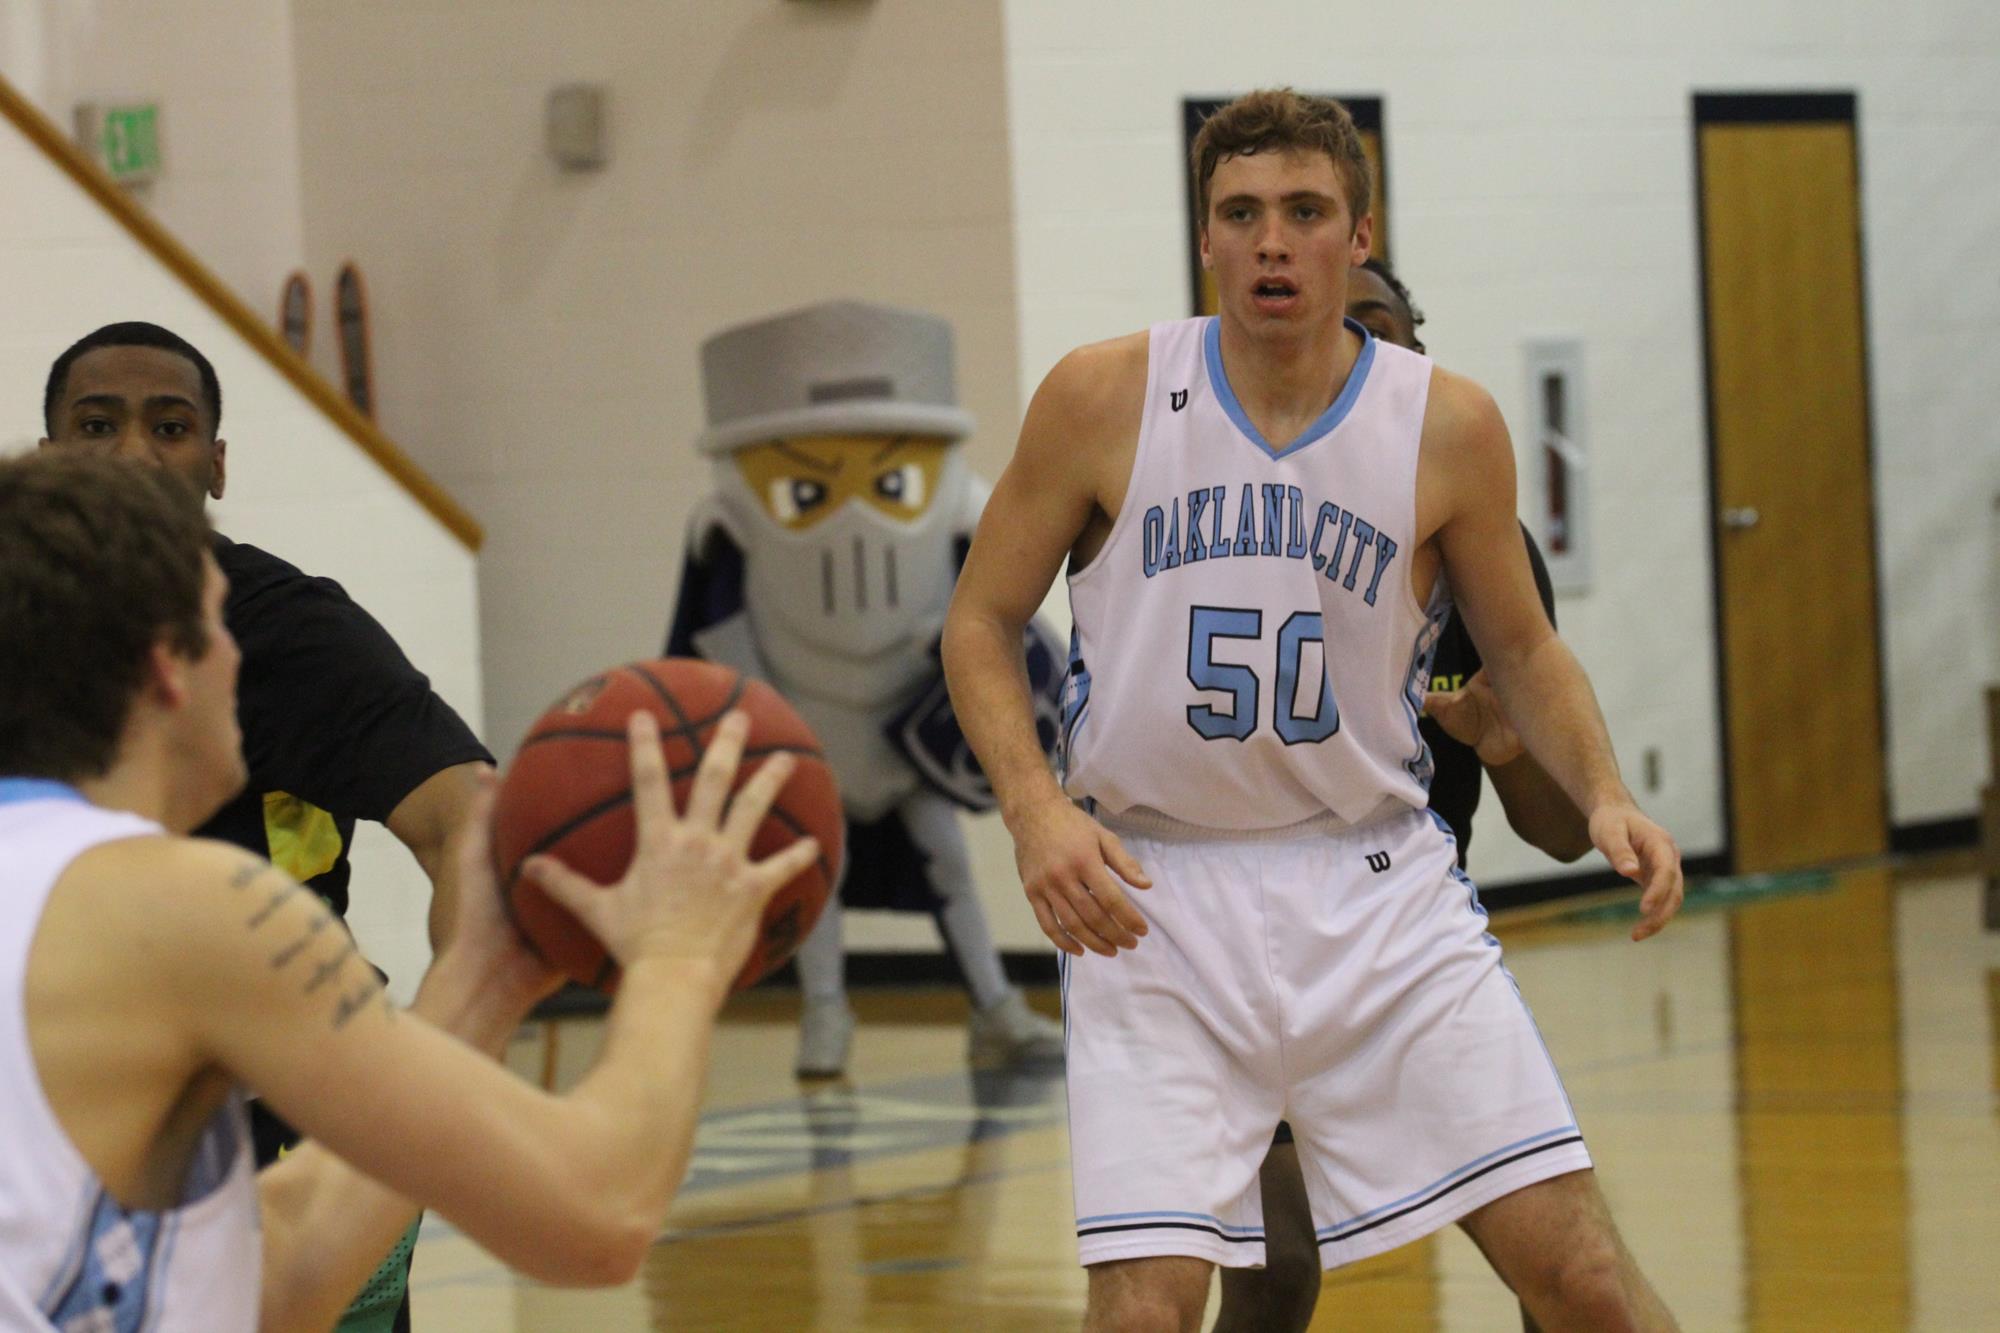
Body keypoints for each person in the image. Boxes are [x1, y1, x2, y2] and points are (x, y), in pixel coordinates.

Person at [941, 89, 1683, 1332]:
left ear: (1356, 232)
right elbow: (976, 622)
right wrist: (1031, 813)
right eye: (1240, 213)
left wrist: (1605, 789)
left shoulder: (1445, 423)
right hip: (1151, 898)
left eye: (1302, 211)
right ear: (1205, 241)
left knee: (1585, 1278)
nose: (1271, 241)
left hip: (1375, 888)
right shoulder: (1099, 396)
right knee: (1142, 1313)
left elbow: (1524, 645)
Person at [0, 450, 819, 1331]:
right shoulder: (183, 908)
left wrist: (479, 985)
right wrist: (682, 955)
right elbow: (598, 1215)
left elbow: (267, 1272)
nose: (241, 657)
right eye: (222, 623)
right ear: (170, 666)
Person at [39, 321, 493, 1330]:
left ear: (216, 461)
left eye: (169, 425)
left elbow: (467, 820)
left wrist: (442, 1072)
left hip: (276, 1141)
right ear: (47, 461)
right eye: (96, 423)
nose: (132, 452)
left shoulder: (288, 630)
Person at [1215, 255, 1590, 1333]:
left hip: (1406, 950)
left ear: (1415, 349)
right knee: (1272, 1275)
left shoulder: (1481, 537)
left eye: (1377, 327)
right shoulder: (1212, 523)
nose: (1361, 353)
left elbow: (1560, 837)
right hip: (1246, 953)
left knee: (1568, 1276)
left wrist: (1512, 748)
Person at [664, 301, 1063, 1078]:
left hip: (904, 718)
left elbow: (1002, 618)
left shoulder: (966, 519)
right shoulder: (723, 536)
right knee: (817, 867)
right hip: (800, 725)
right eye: (812, 491)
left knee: (947, 857)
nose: (850, 511)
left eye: (886, 480)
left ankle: (994, 1006)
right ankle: (824, 1013)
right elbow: (702, 646)